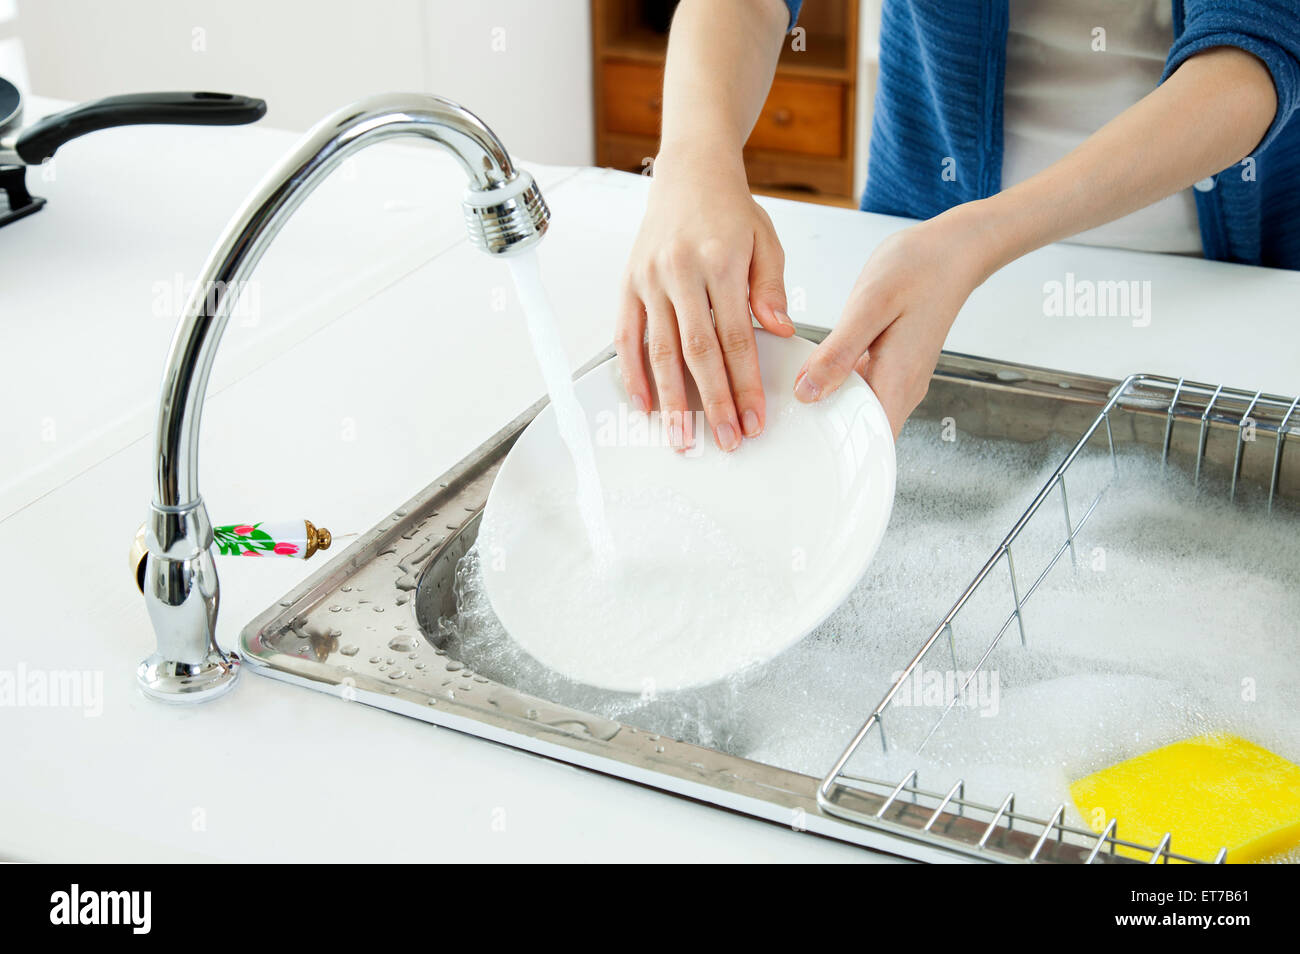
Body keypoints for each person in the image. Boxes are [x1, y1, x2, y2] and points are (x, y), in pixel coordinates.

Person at [615, 0, 1299, 450]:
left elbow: (1249, 57)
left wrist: (979, 238)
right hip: (928, 264)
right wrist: (692, 161)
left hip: (1217, 285)